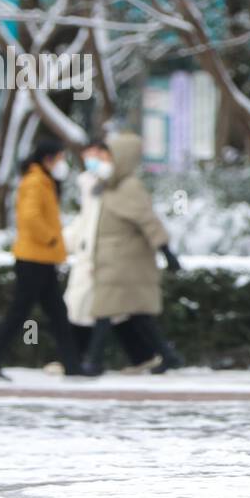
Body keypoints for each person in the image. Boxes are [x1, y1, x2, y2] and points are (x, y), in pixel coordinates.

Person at [0, 139, 84, 379]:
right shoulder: (36, 181)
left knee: (56, 312)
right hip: (34, 258)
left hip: (41, 259)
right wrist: (51, 239)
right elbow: (30, 217)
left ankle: (72, 364)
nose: (61, 164)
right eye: (59, 158)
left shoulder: (42, 180)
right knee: (23, 312)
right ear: (48, 159)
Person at [82, 131, 184, 376]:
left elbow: (149, 221)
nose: (104, 161)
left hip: (124, 261)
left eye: (108, 156)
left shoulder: (129, 187)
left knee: (105, 310)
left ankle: (94, 362)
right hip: (115, 259)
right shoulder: (110, 187)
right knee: (138, 314)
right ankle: (168, 356)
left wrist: (166, 251)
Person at [59, 141, 158, 374]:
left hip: (106, 259)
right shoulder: (92, 185)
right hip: (98, 257)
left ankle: (85, 360)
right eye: (90, 156)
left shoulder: (115, 186)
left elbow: (137, 221)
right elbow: (86, 222)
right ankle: (142, 356)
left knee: (99, 310)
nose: (93, 161)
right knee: (100, 310)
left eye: (99, 156)